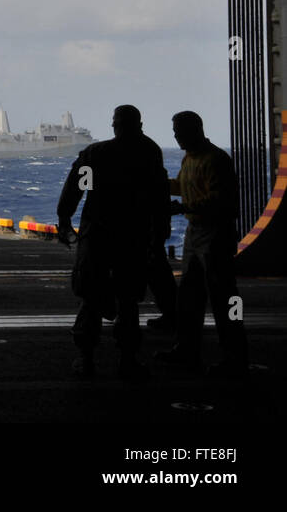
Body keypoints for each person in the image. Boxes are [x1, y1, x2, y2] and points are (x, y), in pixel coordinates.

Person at [56, 105, 168, 381]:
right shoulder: (150, 152)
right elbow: (159, 196)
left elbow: (75, 187)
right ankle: (128, 360)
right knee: (129, 301)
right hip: (133, 238)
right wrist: (160, 234)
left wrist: (64, 220)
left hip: (98, 238)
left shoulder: (96, 153)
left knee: (91, 299)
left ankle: (86, 359)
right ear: (139, 124)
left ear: (115, 125)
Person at [155, 111, 249, 377]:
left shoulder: (216, 160)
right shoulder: (191, 158)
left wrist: (182, 206)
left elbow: (219, 201)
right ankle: (187, 348)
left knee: (226, 298)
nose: (175, 135)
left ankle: (236, 355)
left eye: (178, 131)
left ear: (193, 129)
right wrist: (160, 184)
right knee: (189, 296)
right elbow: (183, 186)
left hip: (216, 234)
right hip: (195, 232)